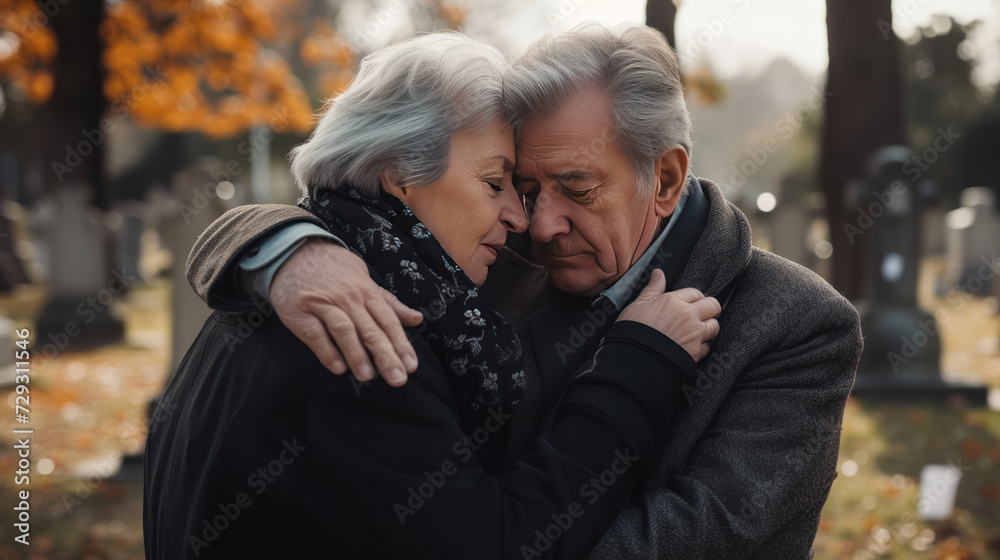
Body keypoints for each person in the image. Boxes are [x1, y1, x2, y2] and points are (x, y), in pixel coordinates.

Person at [186, 23, 865, 559]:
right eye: (522, 186)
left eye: (576, 188)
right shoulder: (473, 264)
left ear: (664, 178)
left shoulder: (793, 323)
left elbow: (696, 538)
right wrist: (289, 250)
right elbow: (354, 208)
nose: (538, 223)